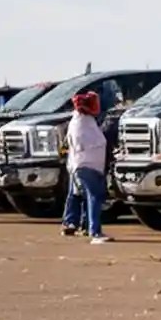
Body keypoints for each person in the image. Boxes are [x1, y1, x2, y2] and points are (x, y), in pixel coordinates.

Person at [61, 91, 110, 243]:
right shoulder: (82, 123)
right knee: (94, 196)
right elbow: (87, 143)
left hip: (82, 165)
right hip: (86, 165)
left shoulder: (84, 121)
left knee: (78, 196)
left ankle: (76, 224)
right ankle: (94, 231)